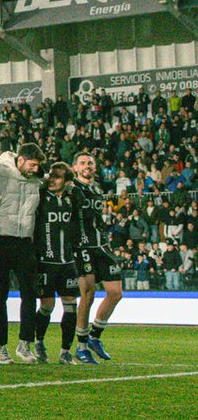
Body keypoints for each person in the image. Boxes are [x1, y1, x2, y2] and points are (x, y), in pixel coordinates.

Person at [0, 142, 44, 363]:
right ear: (20, 160)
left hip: (24, 242)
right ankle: (0, 346)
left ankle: (24, 344)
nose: (35, 169)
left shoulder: (37, 180)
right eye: (32, 164)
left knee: (30, 292)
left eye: (37, 165)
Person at [72, 152, 121, 363]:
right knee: (88, 294)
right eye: (82, 163)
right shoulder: (71, 188)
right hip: (82, 247)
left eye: (90, 163)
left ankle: (94, 336)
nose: (87, 166)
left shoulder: (97, 189)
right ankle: (81, 346)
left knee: (115, 293)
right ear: (75, 168)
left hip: (101, 245)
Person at [33, 162, 80, 365]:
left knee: (71, 304)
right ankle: (38, 342)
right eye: (51, 175)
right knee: (47, 305)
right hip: (46, 261)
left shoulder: (72, 199)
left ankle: (65, 351)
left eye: (57, 177)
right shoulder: (41, 197)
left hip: (68, 262)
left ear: (66, 181)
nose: (51, 179)